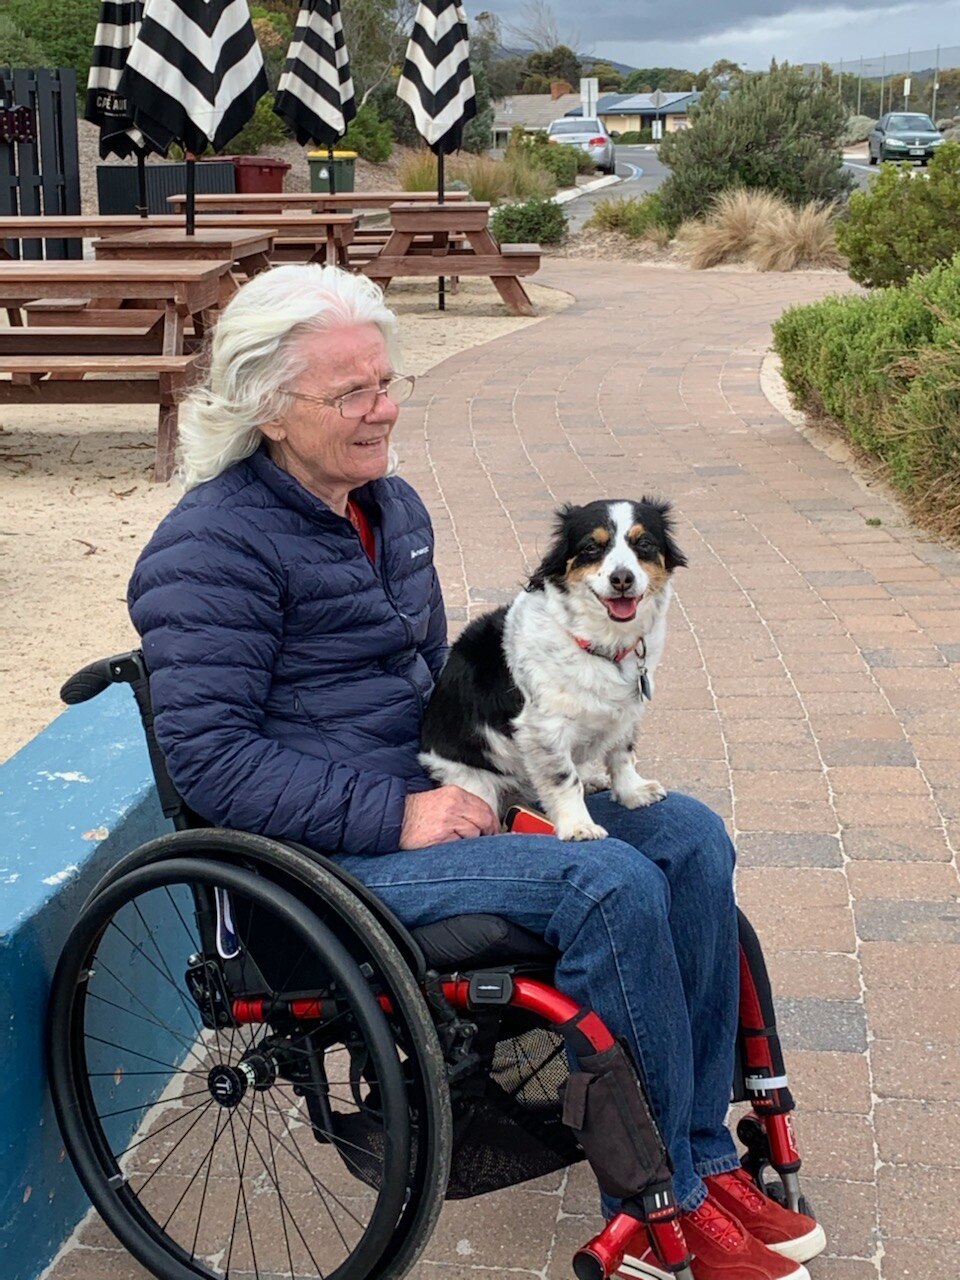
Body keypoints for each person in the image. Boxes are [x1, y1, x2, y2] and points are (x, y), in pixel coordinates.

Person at [128, 264, 825, 1280]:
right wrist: (397, 810)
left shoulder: (388, 506)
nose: (384, 408)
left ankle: (709, 1158)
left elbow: (424, 683)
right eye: (352, 392)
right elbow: (210, 757)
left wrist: (532, 752)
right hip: (321, 866)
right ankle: (656, 1194)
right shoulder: (209, 548)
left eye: (388, 379)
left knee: (685, 836)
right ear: (269, 410)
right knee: (609, 880)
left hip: (446, 800)